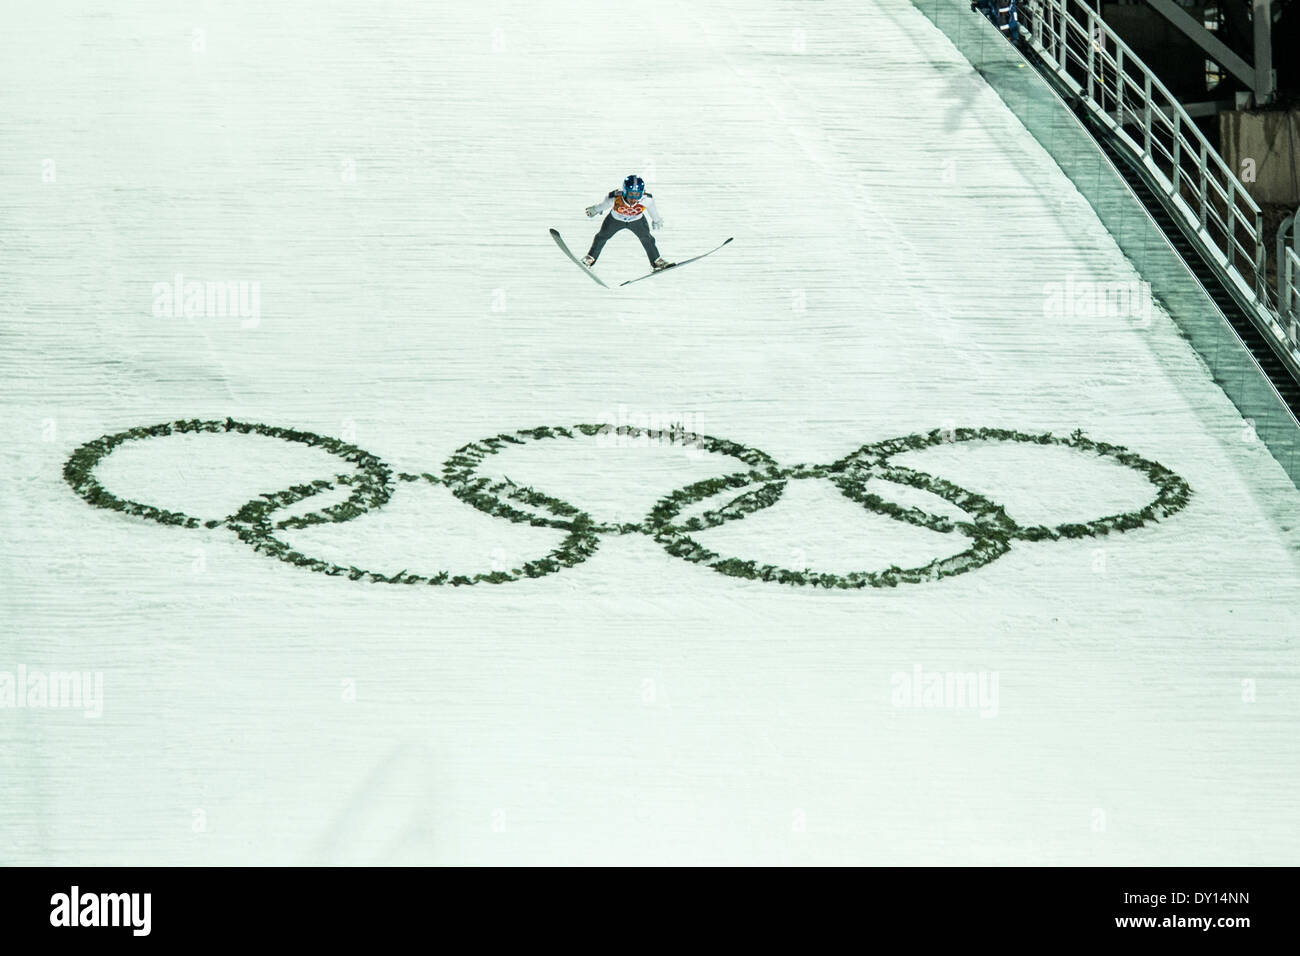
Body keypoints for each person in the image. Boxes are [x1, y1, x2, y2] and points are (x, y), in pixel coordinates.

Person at [582, 175, 672, 270]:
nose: (634, 198)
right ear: (624, 192)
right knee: (602, 236)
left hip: (637, 220)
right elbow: (603, 205)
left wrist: (656, 220)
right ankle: (591, 257)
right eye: (631, 194)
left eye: (637, 195)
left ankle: (656, 261)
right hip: (615, 220)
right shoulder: (615, 197)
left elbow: (652, 210)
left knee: (647, 239)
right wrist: (595, 209)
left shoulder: (647, 199)